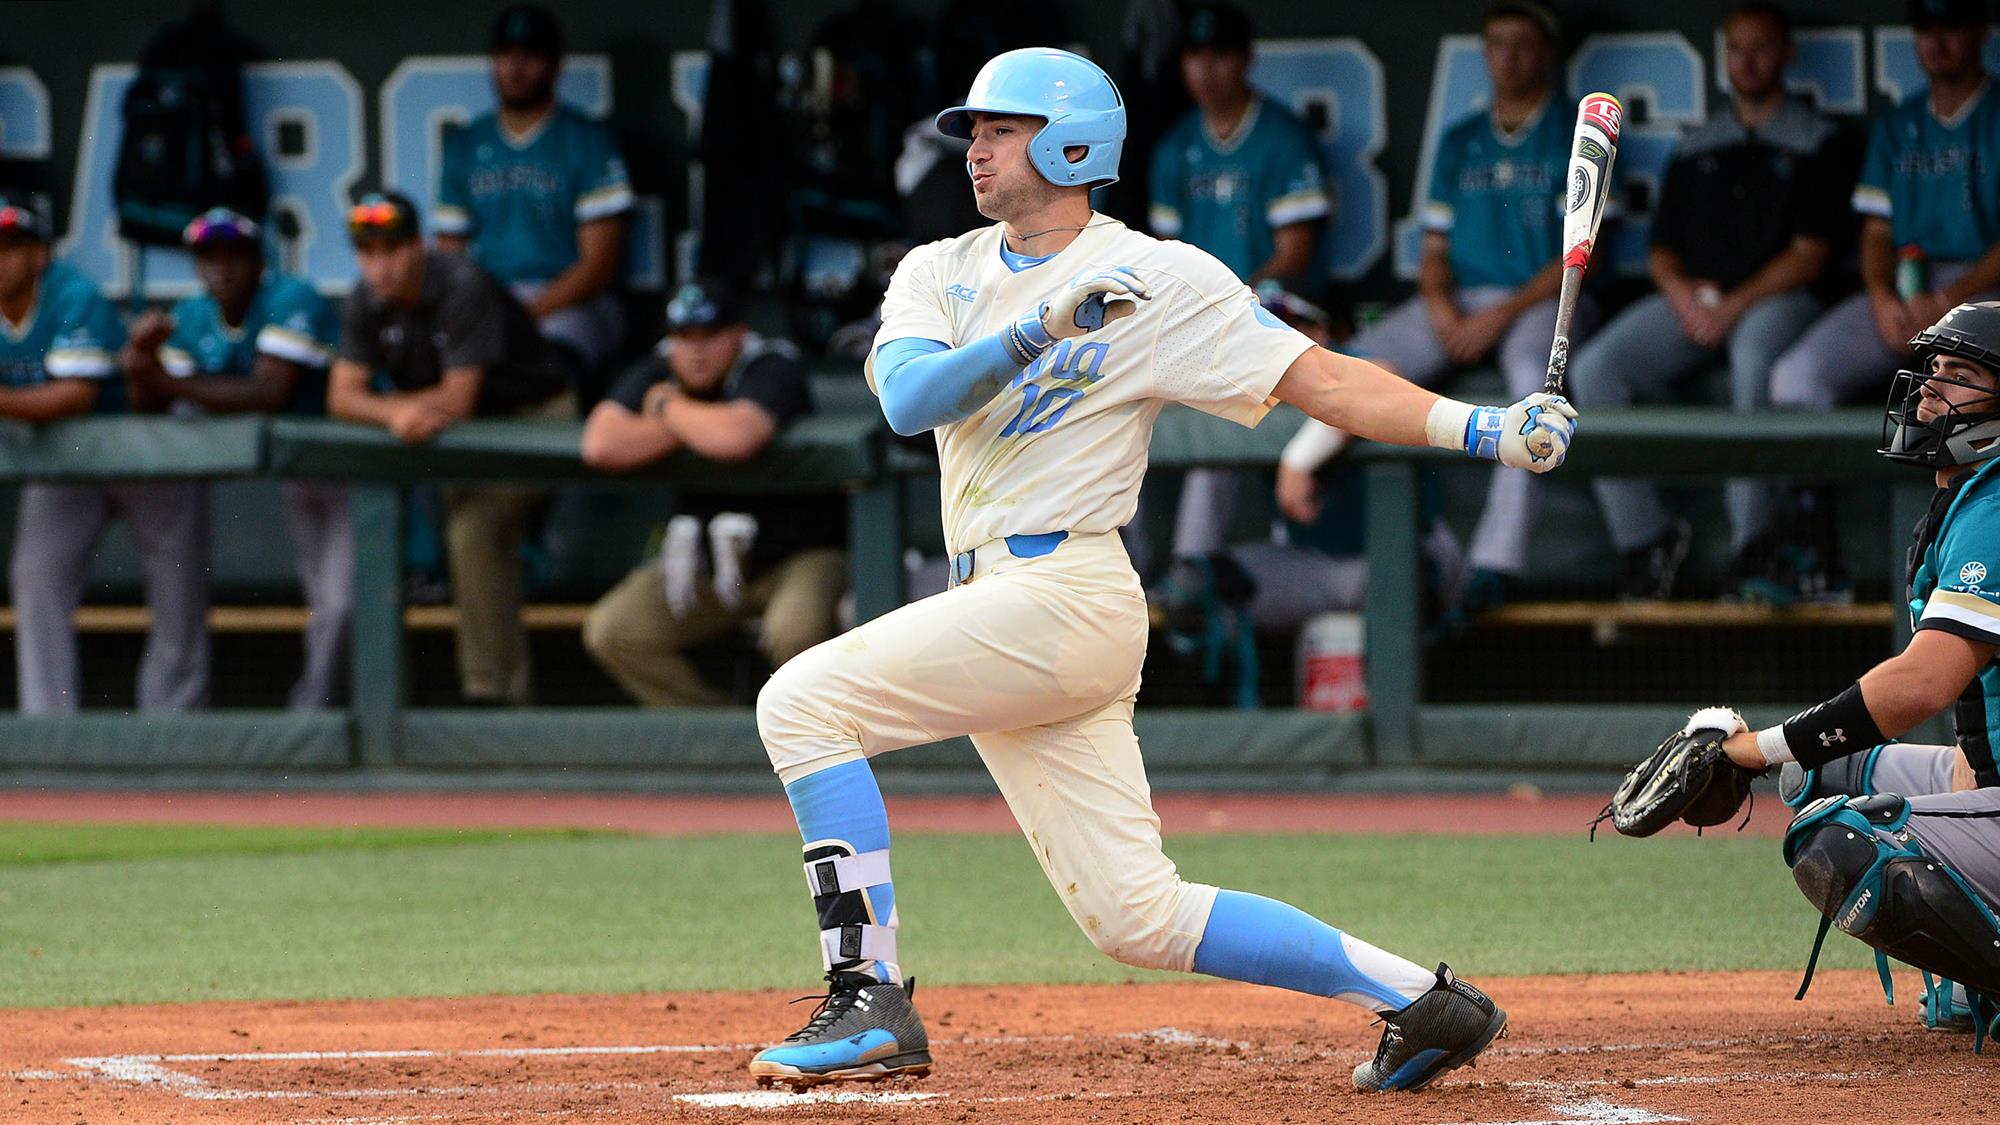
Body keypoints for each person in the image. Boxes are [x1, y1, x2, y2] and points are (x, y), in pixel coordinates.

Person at [744, 48, 1577, 1095]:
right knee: (1134, 916)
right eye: (976, 130)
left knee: (801, 704)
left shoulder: (1160, 276)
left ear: (1069, 140)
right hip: (996, 597)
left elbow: (1322, 381)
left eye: (1000, 128)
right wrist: (1040, 325)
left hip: (1065, 591)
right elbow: (910, 402)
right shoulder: (938, 270)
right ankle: (1424, 1000)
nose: (976, 148)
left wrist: (1489, 430)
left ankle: (867, 994)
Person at [1701, 302, 2000, 1045]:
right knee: (1819, 775)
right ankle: (1977, 977)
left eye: (1959, 377)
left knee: (1841, 838)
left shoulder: (1997, 505)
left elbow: (1924, 685)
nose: (1930, 391)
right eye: (1933, 371)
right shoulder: (1969, 497)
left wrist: (1764, 745)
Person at [1569, 1, 1849, 600]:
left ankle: (1754, 545)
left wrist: (1731, 306)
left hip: (1782, 300)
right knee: (1595, 369)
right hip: (1698, 300)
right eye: (1736, 48)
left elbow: (1810, 255)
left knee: (1754, 355)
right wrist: (1686, 299)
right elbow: (1661, 255)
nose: (1747, 61)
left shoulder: (1818, 139)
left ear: (1786, 53)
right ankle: (1646, 539)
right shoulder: (1700, 144)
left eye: (1761, 47)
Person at [1341, 0, 1588, 621]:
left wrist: (1493, 319)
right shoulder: (1462, 139)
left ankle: (1493, 564)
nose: (1507, 56)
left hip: (1537, 299)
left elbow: (1577, 258)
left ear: (1547, 54)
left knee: (1536, 385)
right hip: (1459, 301)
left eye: (1521, 43)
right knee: (1357, 364)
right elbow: (1433, 251)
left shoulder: (1567, 133)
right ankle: (1350, 540)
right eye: (1496, 43)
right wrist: (1440, 308)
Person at [1764, 0, 2000, 601]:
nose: (1936, 42)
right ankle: (1814, 541)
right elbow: (1875, 233)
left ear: (1978, 32)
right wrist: (1879, 295)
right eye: (1925, 27)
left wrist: (1950, 298)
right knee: (1794, 378)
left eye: (1950, 25)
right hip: (1908, 290)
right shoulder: (1900, 122)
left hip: (1984, 295)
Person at [330, 192, 574, 705]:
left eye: (391, 248)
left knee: (473, 531)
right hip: (464, 434)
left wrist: (393, 405)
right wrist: (394, 411)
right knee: (477, 540)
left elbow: (457, 399)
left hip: (536, 420)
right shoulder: (364, 299)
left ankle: (490, 695)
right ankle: (509, 694)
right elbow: (341, 396)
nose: (380, 264)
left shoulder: (462, 283)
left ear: (418, 246)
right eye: (367, 251)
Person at [580, 279, 845, 706]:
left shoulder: (770, 363)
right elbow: (600, 444)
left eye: (710, 335)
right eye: (684, 337)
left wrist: (669, 410)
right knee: (615, 631)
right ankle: (718, 733)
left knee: (795, 635)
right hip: (708, 561)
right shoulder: (660, 367)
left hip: (800, 554)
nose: (695, 351)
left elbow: (737, 437)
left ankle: (816, 741)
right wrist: (696, 427)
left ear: (738, 333)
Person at [122, 208, 347, 710]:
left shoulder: (292, 296)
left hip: (345, 466)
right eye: (208, 257)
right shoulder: (195, 314)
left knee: (343, 605)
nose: (221, 269)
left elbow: (268, 391)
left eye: (234, 255)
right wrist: (142, 365)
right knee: (333, 605)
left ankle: (319, 721)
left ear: (259, 260)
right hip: (297, 477)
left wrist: (164, 379)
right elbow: (156, 404)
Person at [0, 194, 208, 713]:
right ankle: (50, 726)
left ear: (39, 254)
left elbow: (75, 396)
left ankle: (174, 728)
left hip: (141, 445)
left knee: (176, 590)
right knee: (35, 576)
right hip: (67, 458)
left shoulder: (74, 294)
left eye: (11, 245)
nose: (0, 258)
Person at [1146, 2, 1331, 561]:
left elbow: (1294, 255)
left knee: (1215, 411)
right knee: (1106, 402)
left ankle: (1191, 566)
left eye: (1219, 55)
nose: (1206, 70)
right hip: (1192, 322)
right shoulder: (1174, 147)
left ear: (1246, 60)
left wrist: (1223, 306)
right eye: (1195, 56)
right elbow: (1164, 260)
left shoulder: (1281, 137)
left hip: (1272, 314)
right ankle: (1123, 570)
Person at [434, 4, 632, 374]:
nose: (515, 69)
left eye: (529, 56)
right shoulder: (466, 143)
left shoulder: (587, 140)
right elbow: (451, 257)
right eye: (505, 55)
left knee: (548, 365)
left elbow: (598, 266)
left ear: (556, 65)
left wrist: (521, 316)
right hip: (491, 300)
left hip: (569, 303)